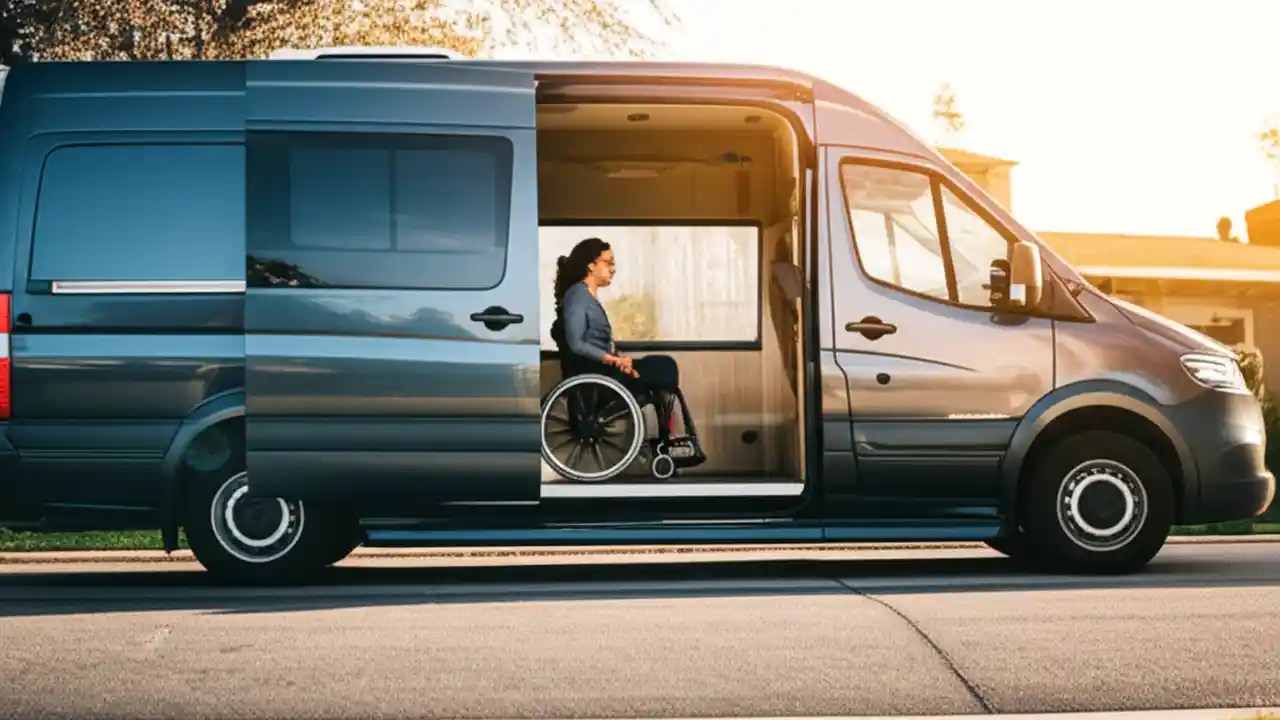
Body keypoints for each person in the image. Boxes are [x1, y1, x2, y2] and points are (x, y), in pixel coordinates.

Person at [549, 237, 693, 452]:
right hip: (594, 375)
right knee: (663, 368)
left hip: (602, 369)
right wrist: (614, 360)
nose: (613, 269)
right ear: (591, 265)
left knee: (662, 365)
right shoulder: (578, 296)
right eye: (609, 262)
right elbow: (576, 343)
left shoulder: (586, 297)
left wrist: (620, 358)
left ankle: (670, 437)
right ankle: (668, 440)